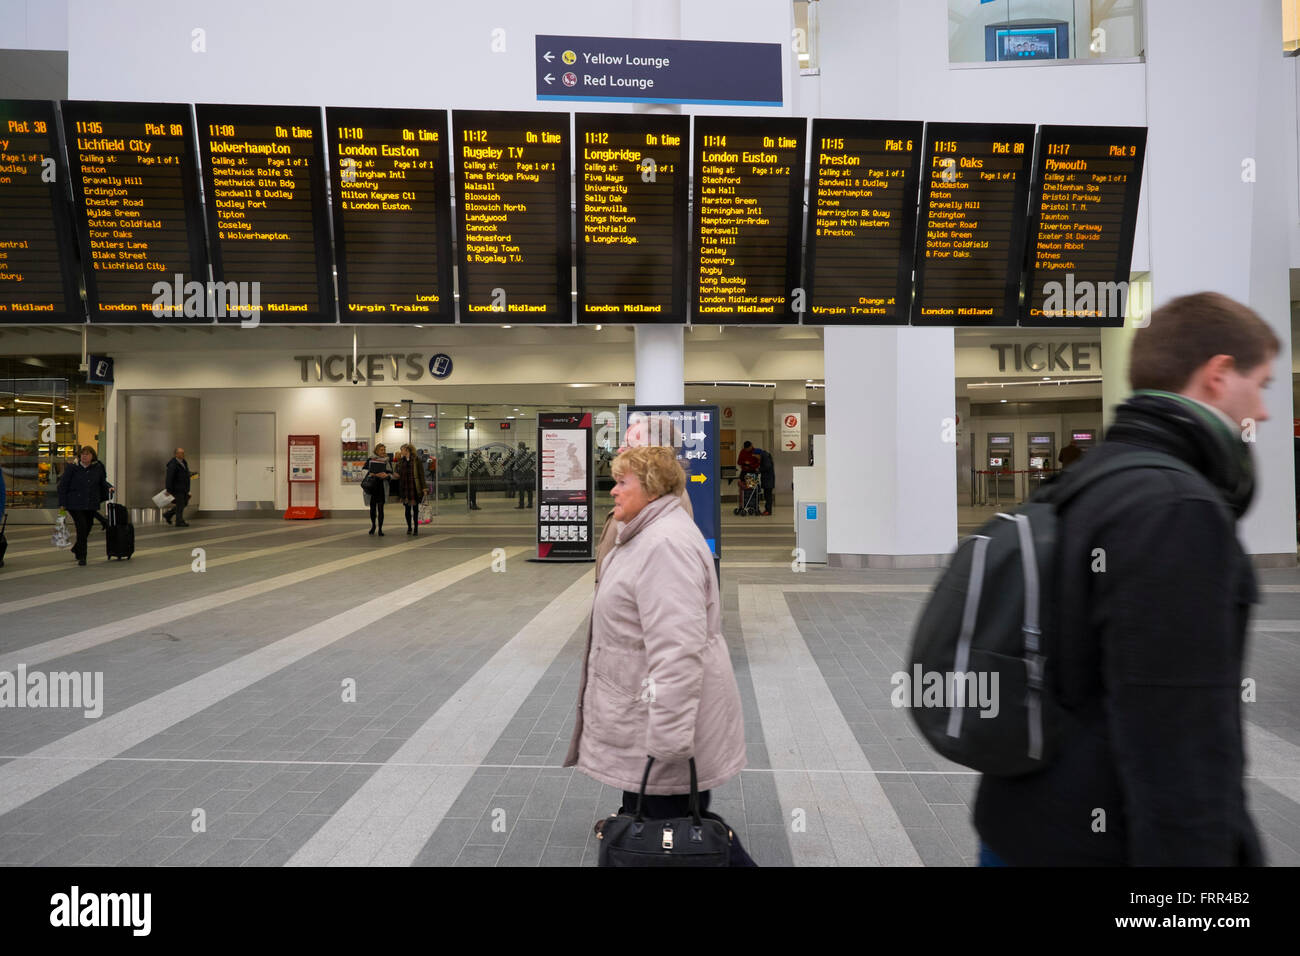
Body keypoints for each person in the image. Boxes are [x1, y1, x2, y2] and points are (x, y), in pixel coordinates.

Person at [974, 291, 1274, 866]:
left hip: (1021, 821)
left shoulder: (1087, 481)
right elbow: (1175, 738)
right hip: (1095, 846)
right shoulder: (1176, 509)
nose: (1261, 410)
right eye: (1260, 383)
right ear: (1218, 374)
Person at [564, 445, 753, 865]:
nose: (611, 491)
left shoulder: (663, 546)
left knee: (668, 835)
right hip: (646, 721)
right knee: (673, 825)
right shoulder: (648, 533)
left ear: (650, 489)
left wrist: (668, 744)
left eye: (621, 482)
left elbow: (678, 651)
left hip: (662, 729)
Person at [56, 445, 113, 566]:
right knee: (81, 527)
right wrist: (62, 504)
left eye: (87, 454)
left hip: (91, 502)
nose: (84, 456)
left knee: (88, 526)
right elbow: (63, 486)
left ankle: (77, 548)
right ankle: (83, 556)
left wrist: (109, 487)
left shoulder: (98, 468)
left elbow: (102, 482)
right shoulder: (72, 468)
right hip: (75, 503)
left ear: (92, 456)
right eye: (82, 454)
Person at [395, 443, 426, 535]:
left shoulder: (416, 460)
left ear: (407, 450)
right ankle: (409, 527)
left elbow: (421, 475)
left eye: (402, 450)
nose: (401, 452)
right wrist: (396, 474)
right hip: (405, 488)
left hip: (414, 487)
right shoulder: (401, 461)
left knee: (415, 509)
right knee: (407, 510)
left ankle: (416, 528)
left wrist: (424, 488)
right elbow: (398, 472)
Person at [162, 447, 197, 526]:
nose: (183, 454)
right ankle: (179, 521)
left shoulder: (184, 462)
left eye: (183, 453)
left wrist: (190, 474)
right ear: (176, 454)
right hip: (177, 488)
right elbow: (169, 477)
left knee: (184, 503)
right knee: (180, 505)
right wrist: (168, 489)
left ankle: (168, 514)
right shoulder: (173, 464)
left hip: (184, 488)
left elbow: (184, 473)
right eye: (181, 453)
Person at [363, 443, 392, 536]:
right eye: (381, 450)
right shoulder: (370, 459)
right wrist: (373, 474)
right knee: (372, 508)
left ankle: (380, 528)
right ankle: (373, 526)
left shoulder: (387, 461)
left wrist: (386, 475)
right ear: (376, 451)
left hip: (382, 487)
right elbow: (363, 471)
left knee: (380, 508)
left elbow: (391, 474)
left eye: (384, 450)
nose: (383, 452)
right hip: (372, 486)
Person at [513, 442, 535, 509]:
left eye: (518, 446)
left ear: (519, 447)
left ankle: (521, 505)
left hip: (521, 476)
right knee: (529, 491)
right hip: (529, 476)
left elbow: (518, 466)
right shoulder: (529, 454)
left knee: (521, 491)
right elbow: (532, 464)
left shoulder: (519, 456)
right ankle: (530, 504)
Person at [754, 445, 776, 515]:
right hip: (767, 479)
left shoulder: (765, 457)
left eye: (756, 456)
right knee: (767, 496)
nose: (756, 458)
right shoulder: (765, 456)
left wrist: (759, 470)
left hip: (768, 479)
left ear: (758, 454)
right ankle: (767, 510)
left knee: (768, 496)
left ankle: (768, 511)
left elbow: (767, 466)